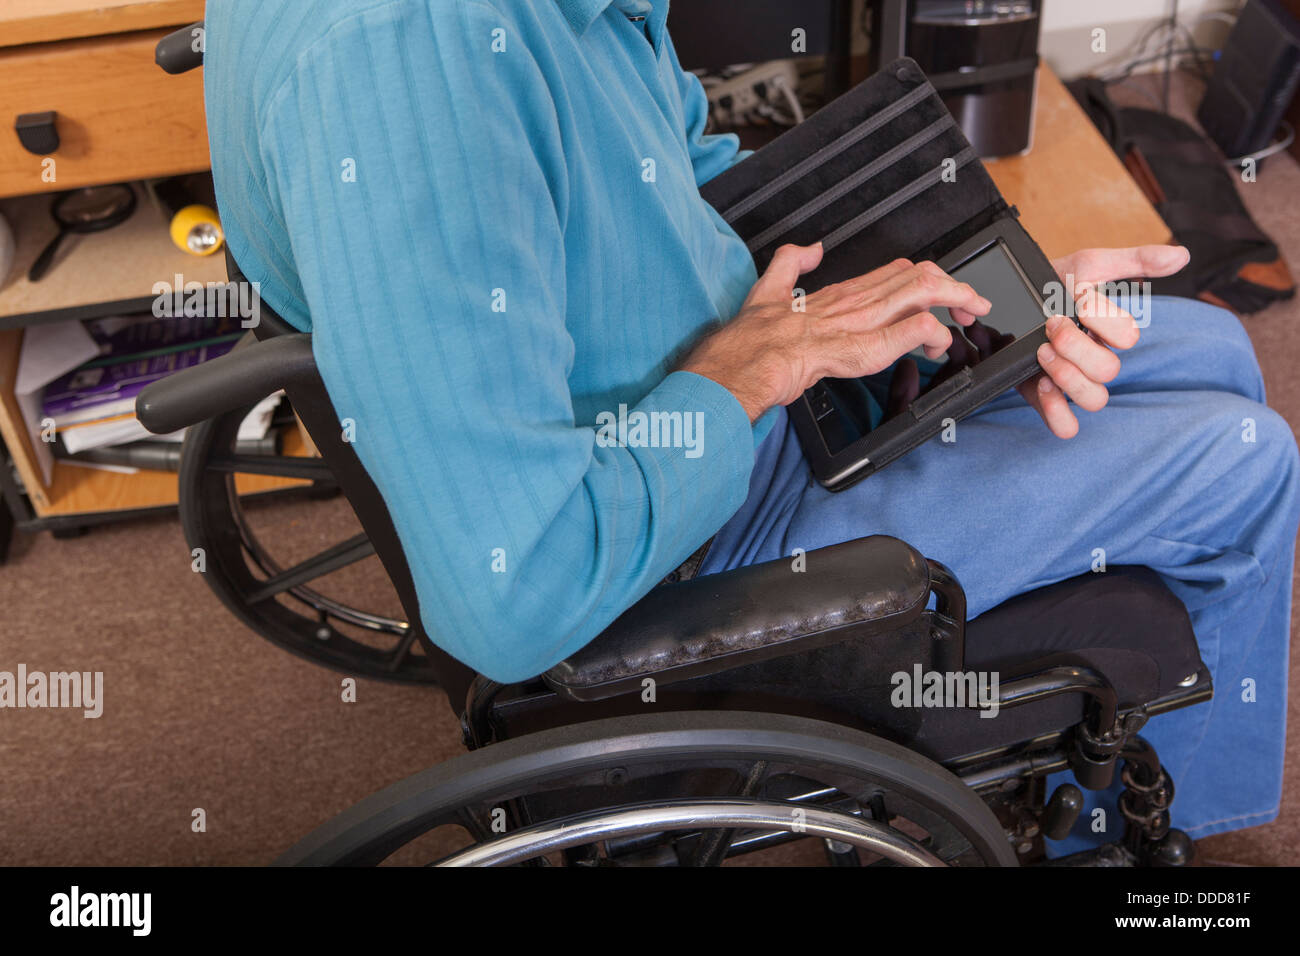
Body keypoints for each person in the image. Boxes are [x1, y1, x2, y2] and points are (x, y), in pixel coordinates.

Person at [205, 0, 1299, 844]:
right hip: (673, 539)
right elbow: (513, 590)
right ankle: (1139, 846)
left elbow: (690, 191)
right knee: (1242, 462)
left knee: (1208, 346)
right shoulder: (405, 66)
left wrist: (986, 294)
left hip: (724, 370)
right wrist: (753, 368)